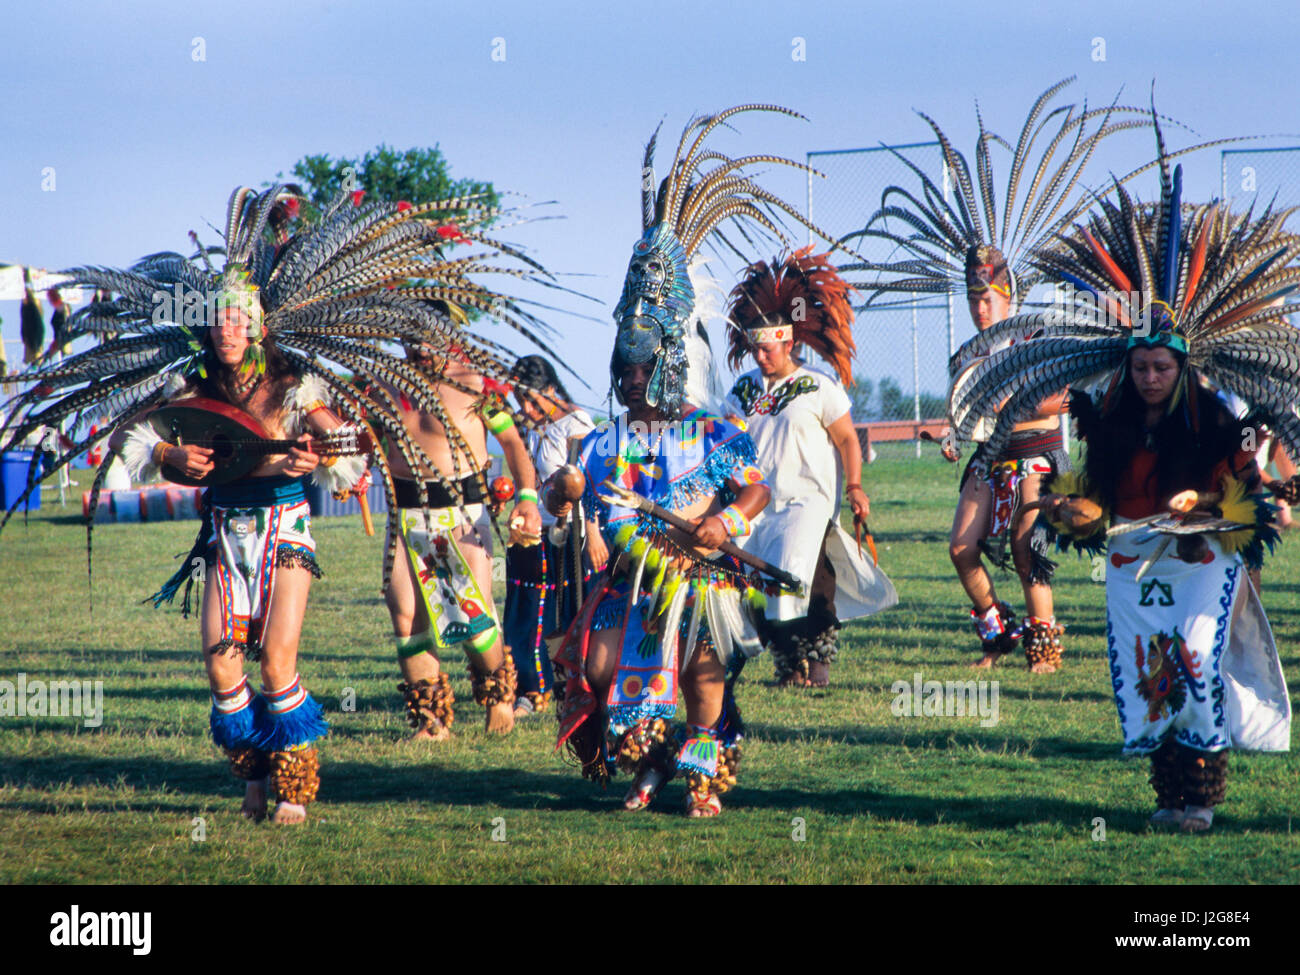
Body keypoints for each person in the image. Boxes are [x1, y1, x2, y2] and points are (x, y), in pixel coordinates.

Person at [1, 183, 567, 822]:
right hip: (253, 531)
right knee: (246, 660)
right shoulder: (197, 385)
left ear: (259, 324)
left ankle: (326, 772)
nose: (230, 331)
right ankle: (277, 767)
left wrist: (320, 456)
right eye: (220, 319)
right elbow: (139, 441)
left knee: (419, 628)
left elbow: (350, 453)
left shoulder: (316, 383)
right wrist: (169, 458)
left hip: (350, 523)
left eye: (242, 319)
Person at [954, 152, 1297, 832]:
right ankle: (1170, 794)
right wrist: (1065, 509)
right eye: (1139, 365)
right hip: (1133, 559)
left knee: (1195, 658)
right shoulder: (1109, 419)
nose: (1147, 376)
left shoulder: (1211, 419)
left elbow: (1245, 491)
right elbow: (1096, 502)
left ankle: (1199, 797)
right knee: (1154, 670)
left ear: (1181, 365)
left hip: (1200, 559)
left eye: (1160, 366)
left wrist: (1206, 506)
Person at [549, 105, 835, 817]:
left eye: (641, 367)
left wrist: (726, 522)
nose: (628, 380)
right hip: (626, 578)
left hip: (700, 574)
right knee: (603, 665)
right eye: (622, 368)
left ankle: (703, 770)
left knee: (704, 671)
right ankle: (650, 763)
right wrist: (561, 490)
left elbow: (756, 488)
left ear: (670, 365)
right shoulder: (605, 438)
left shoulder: (712, 427)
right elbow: (566, 503)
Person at [844, 80, 1160, 673]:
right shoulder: (967, 351)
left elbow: (1062, 400)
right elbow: (966, 411)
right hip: (990, 456)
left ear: (1009, 294)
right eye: (973, 297)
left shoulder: (1038, 337)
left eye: (989, 297)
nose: (980, 307)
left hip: (1038, 453)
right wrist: (950, 434)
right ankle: (999, 635)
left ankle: (1046, 646)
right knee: (961, 548)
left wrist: (1016, 404)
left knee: (1026, 544)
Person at [723, 246, 897, 687]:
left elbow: (845, 439)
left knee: (808, 575)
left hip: (809, 499)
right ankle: (787, 663)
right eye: (754, 349)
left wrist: (855, 486)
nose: (760, 358)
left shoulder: (819, 385)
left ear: (788, 341)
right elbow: (725, 437)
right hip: (756, 500)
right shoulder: (743, 390)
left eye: (768, 349)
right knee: (757, 579)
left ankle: (816, 664)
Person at [383, 338, 542, 739]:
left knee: (472, 617)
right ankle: (431, 720)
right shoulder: (383, 385)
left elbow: (512, 444)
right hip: (404, 514)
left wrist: (527, 498)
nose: (418, 350)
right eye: (408, 341)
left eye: (426, 340)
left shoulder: (475, 384)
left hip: (462, 511)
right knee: (405, 615)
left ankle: (500, 693)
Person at [502, 354, 599, 717]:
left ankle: (568, 685)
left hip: (568, 534)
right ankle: (529, 687)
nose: (525, 407)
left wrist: (592, 529)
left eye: (532, 399)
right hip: (529, 530)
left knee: (564, 612)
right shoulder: (527, 425)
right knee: (524, 609)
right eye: (519, 400)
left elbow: (592, 482)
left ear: (551, 389)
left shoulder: (576, 423)